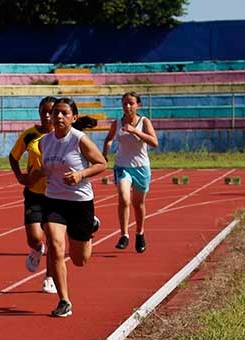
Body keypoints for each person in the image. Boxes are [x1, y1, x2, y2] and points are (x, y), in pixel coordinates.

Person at [33, 97, 106, 318]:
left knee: (80, 260)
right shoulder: (44, 142)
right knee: (55, 246)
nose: (59, 116)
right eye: (56, 112)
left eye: (64, 113)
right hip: (54, 200)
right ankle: (64, 300)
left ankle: (91, 227)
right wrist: (29, 177)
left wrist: (80, 174)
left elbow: (102, 163)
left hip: (80, 202)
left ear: (73, 117)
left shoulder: (79, 140)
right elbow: (46, 169)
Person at [8, 96, 58, 294]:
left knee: (54, 239)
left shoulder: (63, 136)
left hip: (56, 195)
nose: (47, 116)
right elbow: (13, 157)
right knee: (35, 237)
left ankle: (49, 277)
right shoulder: (30, 135)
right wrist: (20, 176)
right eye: (43, 112)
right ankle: (36, 250)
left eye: (51, 112)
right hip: (34, 194)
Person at [102, 91, 158, 253]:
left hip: (141, 167)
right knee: (124, 198)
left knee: (138, 204)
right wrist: (105, 154)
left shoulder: (144, 121)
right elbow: (109, 138)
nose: (127, 106)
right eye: (125, 103)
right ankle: (124, 235)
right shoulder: (117, 123)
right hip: (122, 166)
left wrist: (135, 131)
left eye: (131, 103)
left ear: (137, 105)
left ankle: (139, 233)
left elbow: (154, 142)